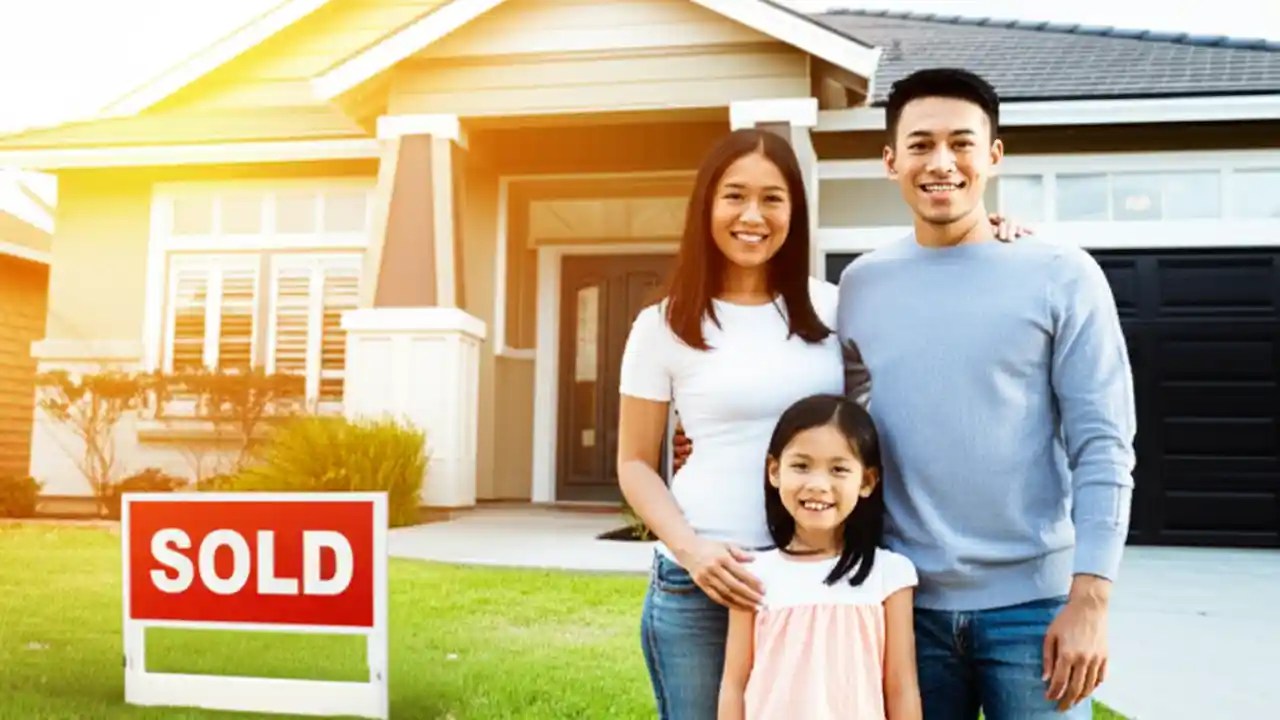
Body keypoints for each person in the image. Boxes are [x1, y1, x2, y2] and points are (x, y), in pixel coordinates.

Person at [618, 125, 1028, 720]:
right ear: (706, 203)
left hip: (823, 581)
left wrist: (989, 238)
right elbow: (633, 461)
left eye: (772, 198)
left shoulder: (835, 307)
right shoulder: (662, 326)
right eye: (734, 195)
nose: (752, 215)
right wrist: (693, 551)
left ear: (795, 211)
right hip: (704, 584)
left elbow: (928, 326)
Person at [837, 67, 1136, 719]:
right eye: (919, 144)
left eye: (961, 142)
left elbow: (1104, 447)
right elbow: (842, 428)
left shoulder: (1061, 275)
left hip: (1035, 612)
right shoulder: (860, 287)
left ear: (994, 156)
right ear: (890, 161)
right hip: (902, 604)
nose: (941, 162)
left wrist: (1091, 599)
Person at [717, 393, 922, 720]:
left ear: (867, 482)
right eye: (801, 466)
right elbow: (734, 684)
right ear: (774, 471)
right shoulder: (751, 573)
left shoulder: (891, 575)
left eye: (839, 469)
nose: (817, 484)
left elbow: (901, 686)